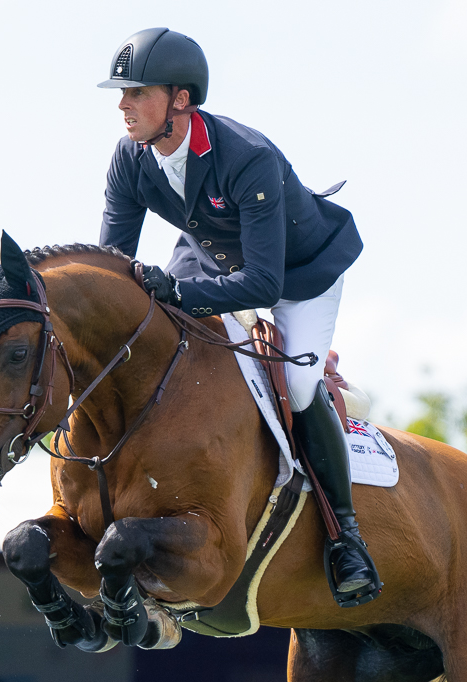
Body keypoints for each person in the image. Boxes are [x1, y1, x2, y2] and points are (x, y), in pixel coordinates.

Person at [97, 28, 380, 607]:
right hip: (207, 258)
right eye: (120, 93)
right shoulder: (130, 157)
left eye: (136, 92)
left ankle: (345, 536)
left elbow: (262, 284)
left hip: (299, 273)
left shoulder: (246, 156)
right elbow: (114, 266)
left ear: (181, 99)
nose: (122, 105)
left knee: (297, 386)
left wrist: (174, 289)